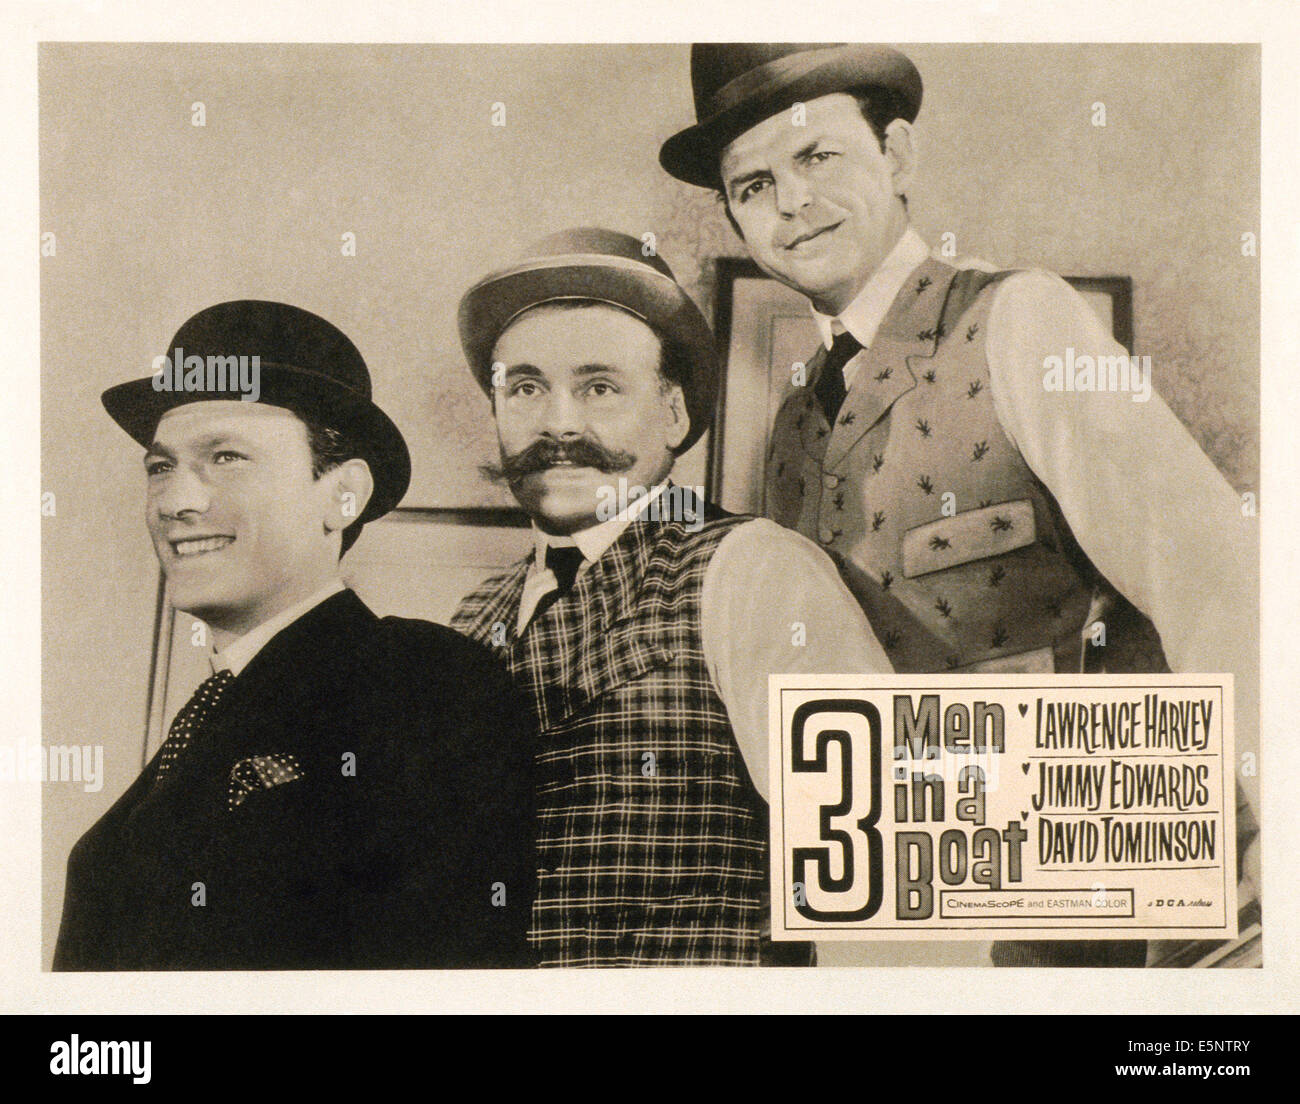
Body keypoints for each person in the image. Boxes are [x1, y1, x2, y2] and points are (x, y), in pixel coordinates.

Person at [659, 43, 1259, 966]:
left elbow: (1215, 579)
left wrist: (1268, 848)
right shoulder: (786, 431)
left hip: (1099, 902)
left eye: (818, 157)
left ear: (896, 155)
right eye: (753, 186)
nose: (790, 204)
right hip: (901, 924)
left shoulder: (1021, 319)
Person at [450, 228, 891, 966]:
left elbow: (877, 872)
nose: (558, 423)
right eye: (525, 387)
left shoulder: (750, 571)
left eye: (599, 387)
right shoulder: (469, 621)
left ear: (676, 415)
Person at [54, 299, 535, 970]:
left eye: (225, 456)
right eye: (160, 467)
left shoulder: (421, 681)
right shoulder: (210, 716)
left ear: (343, 495)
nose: (175, 501)